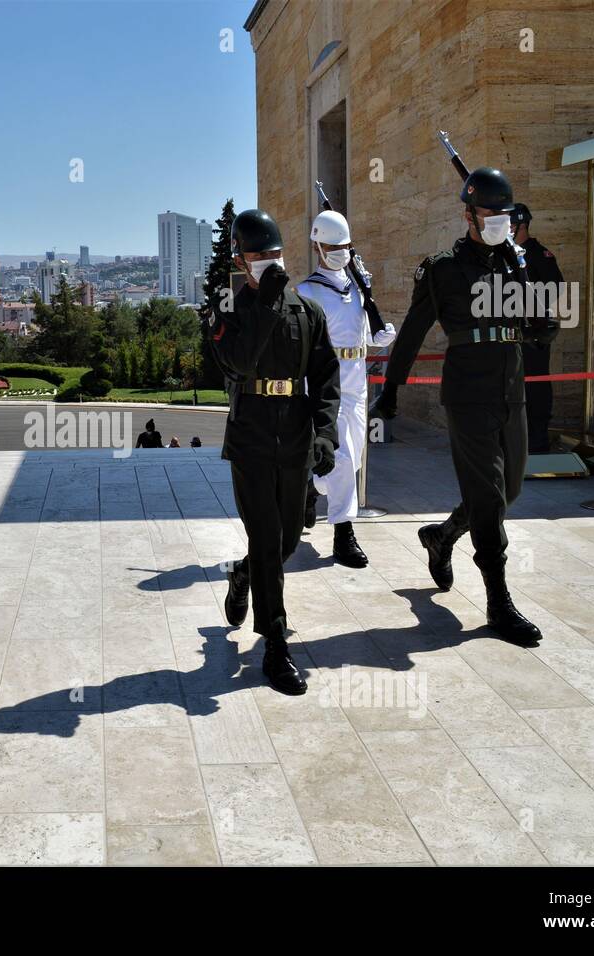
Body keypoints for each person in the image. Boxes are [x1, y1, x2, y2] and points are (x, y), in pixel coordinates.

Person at [372, 168, 557, 646]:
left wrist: (542, 327)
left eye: (505, 215)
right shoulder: (443, 269)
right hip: (468, 394)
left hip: (510, 389)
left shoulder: (515, 264)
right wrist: (391, 389)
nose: (499, 222)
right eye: (490, 214)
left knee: (508, 490)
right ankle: (499, 603)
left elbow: (534, 315)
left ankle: (444, 535)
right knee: (491, 497)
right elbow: (412, 332)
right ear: (469, 215)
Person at [208, 208, 341, 695]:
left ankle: (243, 575)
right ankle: (275, 644)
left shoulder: (308, 311)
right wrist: (263, 304)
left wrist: (326, 434)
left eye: (274, 253)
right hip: (251, 435)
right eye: (257, 254)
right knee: (266, 538)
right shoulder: (228, 309)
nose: (268, 261)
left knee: (286, 541)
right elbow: (238, 363)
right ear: (241, 261)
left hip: (296, 435)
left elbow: (327, 377)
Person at [296, 210, 397, 567]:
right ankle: (343, 532)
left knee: (352, 458)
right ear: (317, 246)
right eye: (332, 246)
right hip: (327, 382)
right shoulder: (306, 291)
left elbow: (363, 333)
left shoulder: (357, 287)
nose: (340, 252)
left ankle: (312, 484)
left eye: (345, 246)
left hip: (356, 379)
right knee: (340, 457)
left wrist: (379, 337)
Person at [511, 202, 564, 453]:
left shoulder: (538, 255)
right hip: (508, 335)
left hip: (532, 336)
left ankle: (537, 440)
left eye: (511, 224)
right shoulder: (505, 254)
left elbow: (555, 289)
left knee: (535, 387)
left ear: (522, 226)